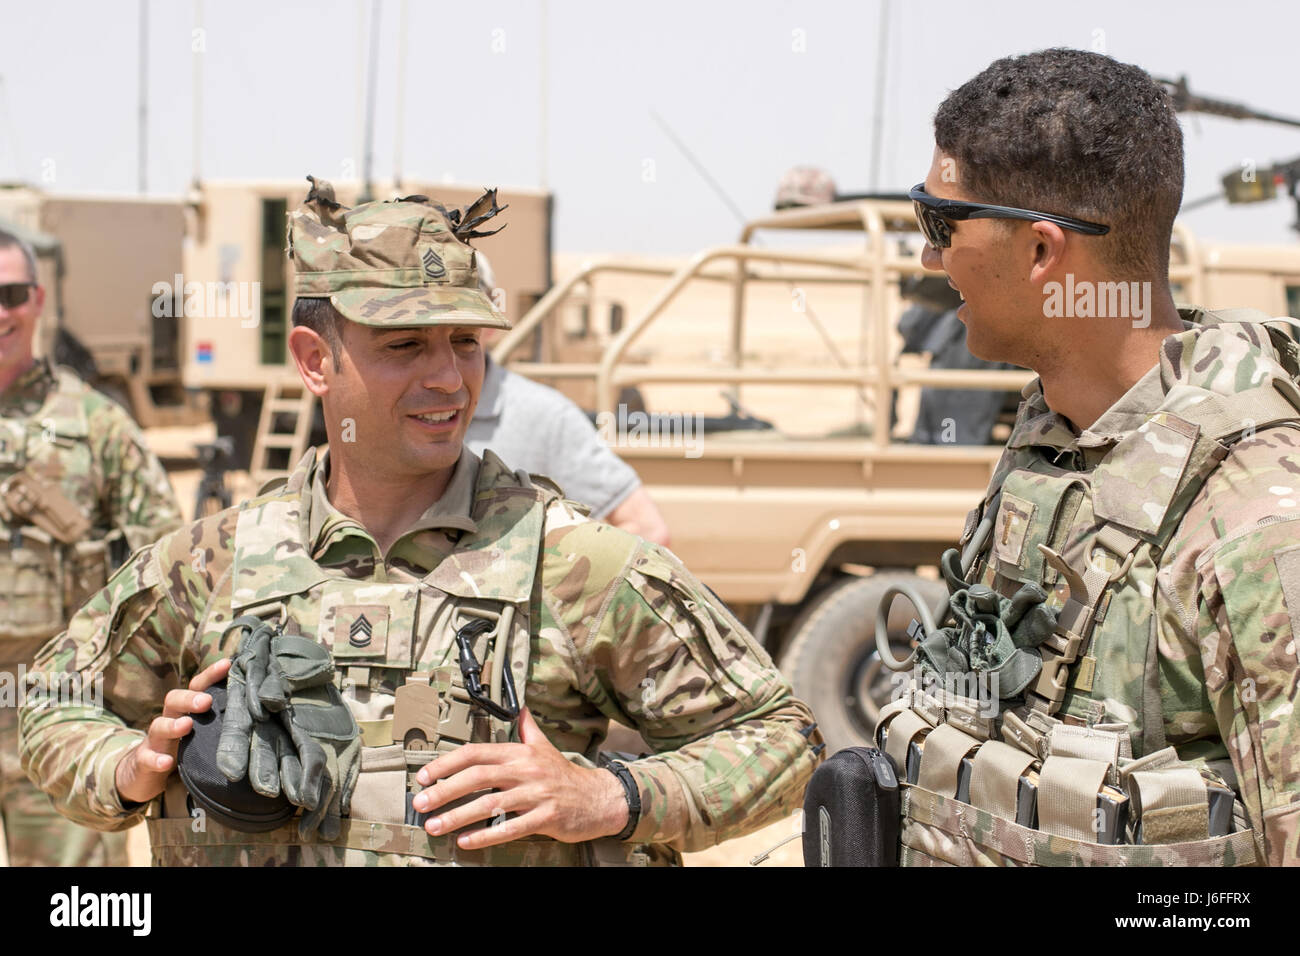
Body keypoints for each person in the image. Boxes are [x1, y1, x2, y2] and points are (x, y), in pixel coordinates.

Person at [18, 180, 823, 866]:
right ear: (314, 360)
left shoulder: (575, 564)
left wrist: (610, 793)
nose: (448, 378)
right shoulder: (210, 563)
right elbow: (54, 698)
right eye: (405, 345)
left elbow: (782, 737)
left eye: (466, 342)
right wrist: (130, 765)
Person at [876, 49, 1300, 866]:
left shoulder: (1255, 513)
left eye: (941, 224)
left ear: (1041, 253)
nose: (927, 257)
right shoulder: (1060, 433)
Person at [0, 227, 182, 866]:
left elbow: (166, 564)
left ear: (39, 299)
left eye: (12, 293)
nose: (0, 311)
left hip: (55, 706)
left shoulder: (97, 425)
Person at [465, 353, 672, 546]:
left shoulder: (546, 415)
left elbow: (648, 530)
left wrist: (536, 574)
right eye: (430, 338)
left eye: (464, 339)